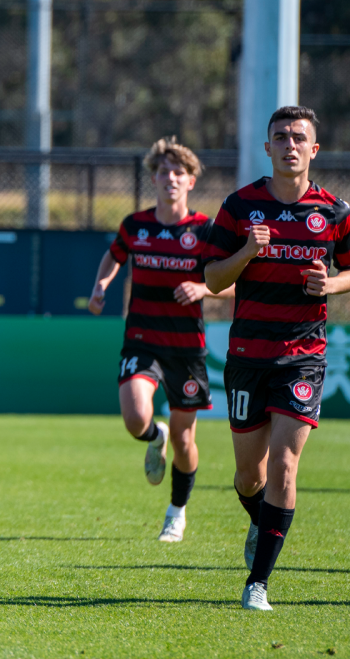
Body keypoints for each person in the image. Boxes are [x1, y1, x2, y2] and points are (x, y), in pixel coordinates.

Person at [203, 106, 350, 611]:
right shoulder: (239, 206)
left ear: (313, 150)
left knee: (285, 468)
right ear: (268, 148)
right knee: (249, 476)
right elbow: (212, 279)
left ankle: (257, 583)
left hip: (304, 355)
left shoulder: (336, 213)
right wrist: (247, 252)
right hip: (249, 353)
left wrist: (331, 283)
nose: (290, 144)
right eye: (280, 137)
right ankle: (263, 522)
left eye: (299, 137)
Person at [88, 136, 233, 542]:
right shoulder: (136, 225)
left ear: (190, 182)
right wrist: (101, 286)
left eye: (179, 173)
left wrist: (203, 290)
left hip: (186, 346)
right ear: (153, 178)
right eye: (163, 171)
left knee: (187, 440)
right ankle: (156, 435)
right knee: (136, 417)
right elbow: (114, 256)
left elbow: (236, 281)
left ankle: (177, 511)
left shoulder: (205, 230)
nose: (170, 178)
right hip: (141, 339)